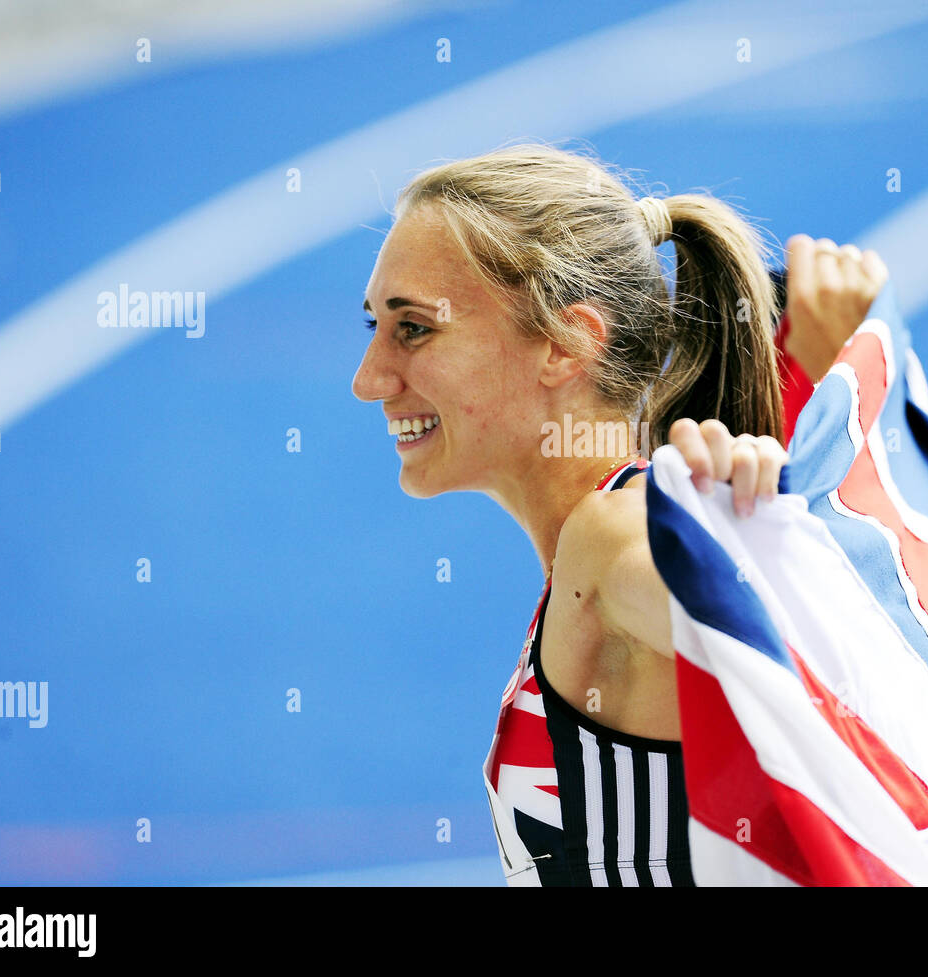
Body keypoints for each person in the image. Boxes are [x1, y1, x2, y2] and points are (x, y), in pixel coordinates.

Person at [352, 143, 889, 885]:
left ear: (566, 343)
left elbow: (812, 656)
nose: (368, 378)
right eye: (374, 325)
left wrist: (783, 528)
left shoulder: (615, 538)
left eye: (413, 328)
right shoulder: (603, 539)